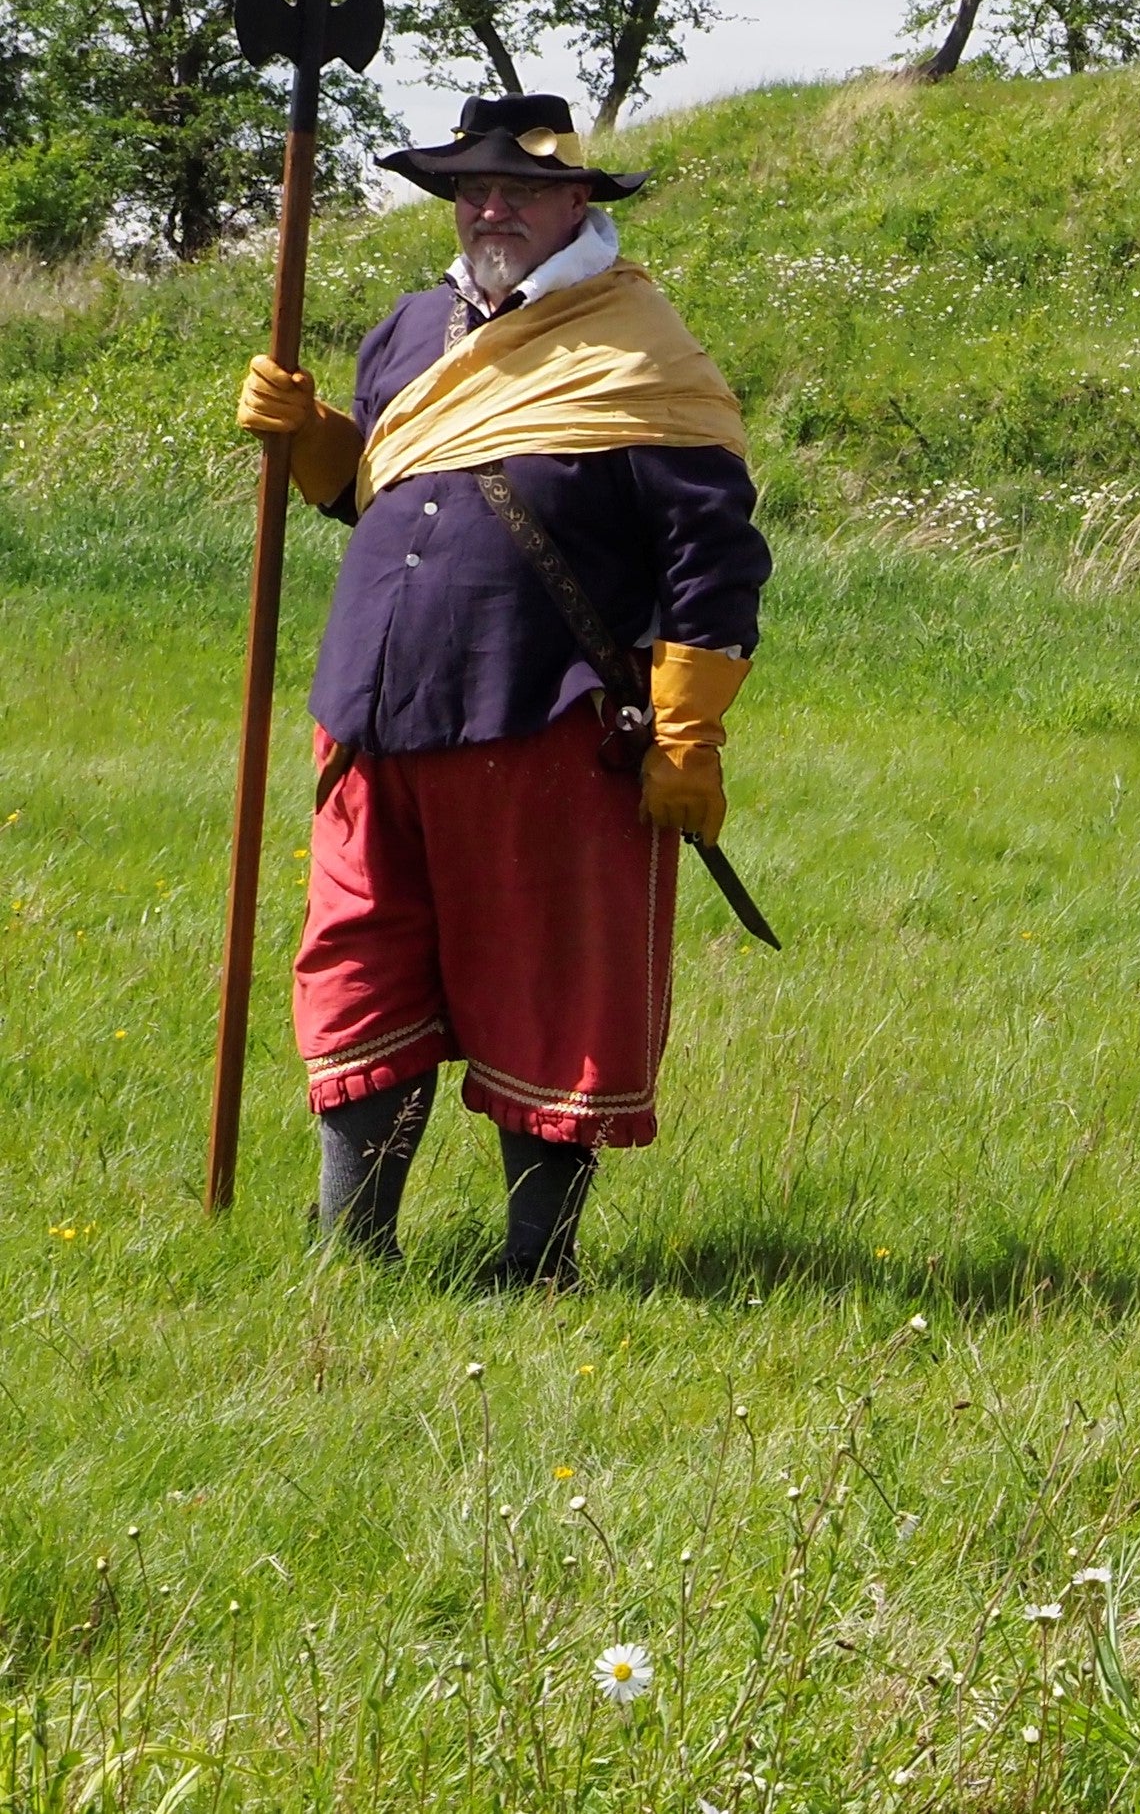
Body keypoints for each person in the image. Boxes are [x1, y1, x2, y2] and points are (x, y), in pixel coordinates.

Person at [230, 95, 769, 1288]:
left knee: (549, 983)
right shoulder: (413, 328)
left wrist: (687, 731)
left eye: (517, 190)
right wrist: (311, 433)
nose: (488, 207)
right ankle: (350, 1250)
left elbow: (713, 561)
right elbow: (369, 491)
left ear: (577, 202)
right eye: (470, 187)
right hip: (373, 711)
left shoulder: (639, 352)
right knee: (360, 964)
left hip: (544, 717)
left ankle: (537, 1265)